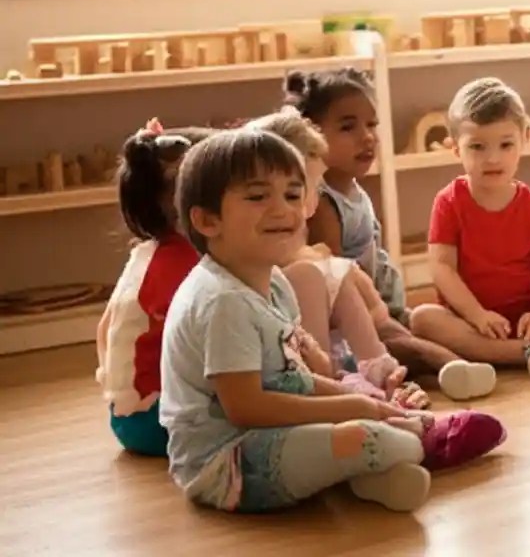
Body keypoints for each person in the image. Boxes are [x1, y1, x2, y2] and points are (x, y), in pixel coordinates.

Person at [158, 129, 506, 513]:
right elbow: (246, 408)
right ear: (207, 221)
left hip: (269, 431)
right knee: (374, 437)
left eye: (293, 194)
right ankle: (403, 446)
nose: (283, 209)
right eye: (258, 197)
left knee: (375, 417)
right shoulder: (223, 301)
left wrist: (361, 396)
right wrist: (353, 408)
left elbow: (297, 378)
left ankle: (379, 473)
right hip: (227, 461)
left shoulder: (273, 282)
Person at [283, 68, 489, 393]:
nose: (367, 137)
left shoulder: (355, 191)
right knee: (405, 344)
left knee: (428, 324)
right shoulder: (321, 202)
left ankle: (457, 366)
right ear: (313, 135)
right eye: (348, 127)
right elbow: (335, 279)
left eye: (372, 125)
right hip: (364, 321)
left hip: (389, 307)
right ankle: (456, 367)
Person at [411, 77, 530, 389]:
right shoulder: (448, 202)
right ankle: (525, 354)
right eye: (477, 146)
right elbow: (442, 268)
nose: (492, 158)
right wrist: (477, 315)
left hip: (525, 315)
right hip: (472, 322)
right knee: (422, 318)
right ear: (454, 148)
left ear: (526, 139)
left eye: (505, 144)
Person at [246, 108, 409, 398]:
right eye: (314, 186)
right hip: (287, 342)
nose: (317, 196)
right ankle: (327, 385)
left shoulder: (296, 230)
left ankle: (385, 375)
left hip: (314, 320)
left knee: (335, 274)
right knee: (316, 273)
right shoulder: (268, 230)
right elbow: (282, 264)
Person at [96, 119, 215, 456]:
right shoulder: (190, 264)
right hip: (158, 419)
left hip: (126, 416)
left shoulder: (147, 255)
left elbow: (104, 329)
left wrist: (114, 385)